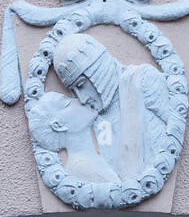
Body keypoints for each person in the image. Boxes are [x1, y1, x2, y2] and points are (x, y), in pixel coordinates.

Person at [52, 32, 172, 181]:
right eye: (73, 91)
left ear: (96, 70)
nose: (81, 99)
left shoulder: (143, 80)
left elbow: (175, 129)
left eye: (81, 85)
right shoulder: (95, 119)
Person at [26, 91, 120, 183]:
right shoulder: (81, 168)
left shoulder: (104, 148)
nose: (80, 100)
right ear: (58, 125)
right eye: (67, 102)